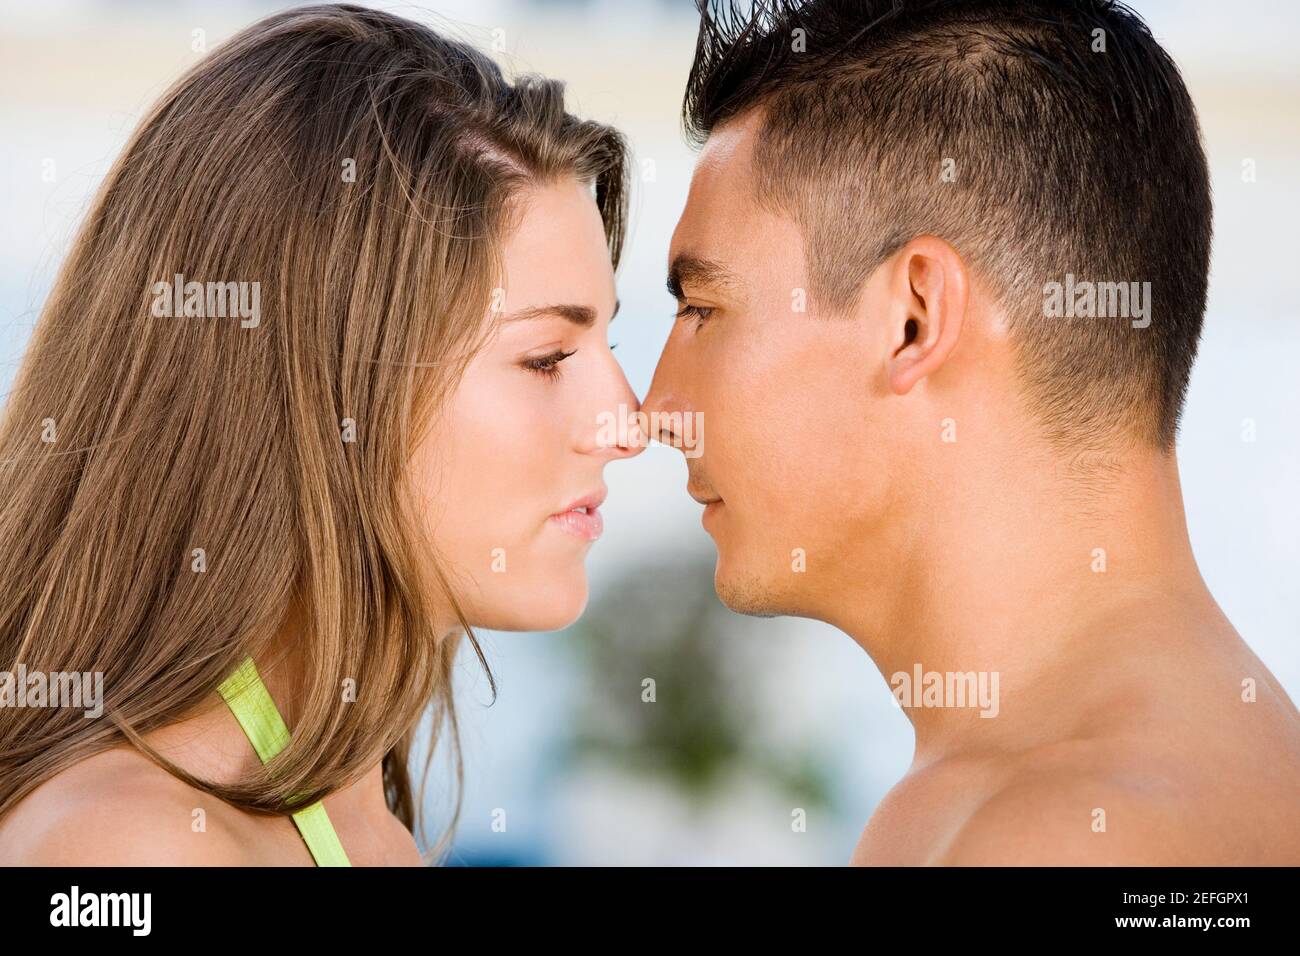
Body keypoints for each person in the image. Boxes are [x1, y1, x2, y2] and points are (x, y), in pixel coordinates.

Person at [642, 0, 1300, 864]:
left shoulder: (1065, 836)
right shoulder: (1133, 786)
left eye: (701, 308)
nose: (654, 407)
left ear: (915, 320)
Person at [0, 4, 641, 866]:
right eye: (546, 358)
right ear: (325, 390)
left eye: (606, 340)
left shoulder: (358, 815)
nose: (625, 423)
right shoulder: (132, 846)